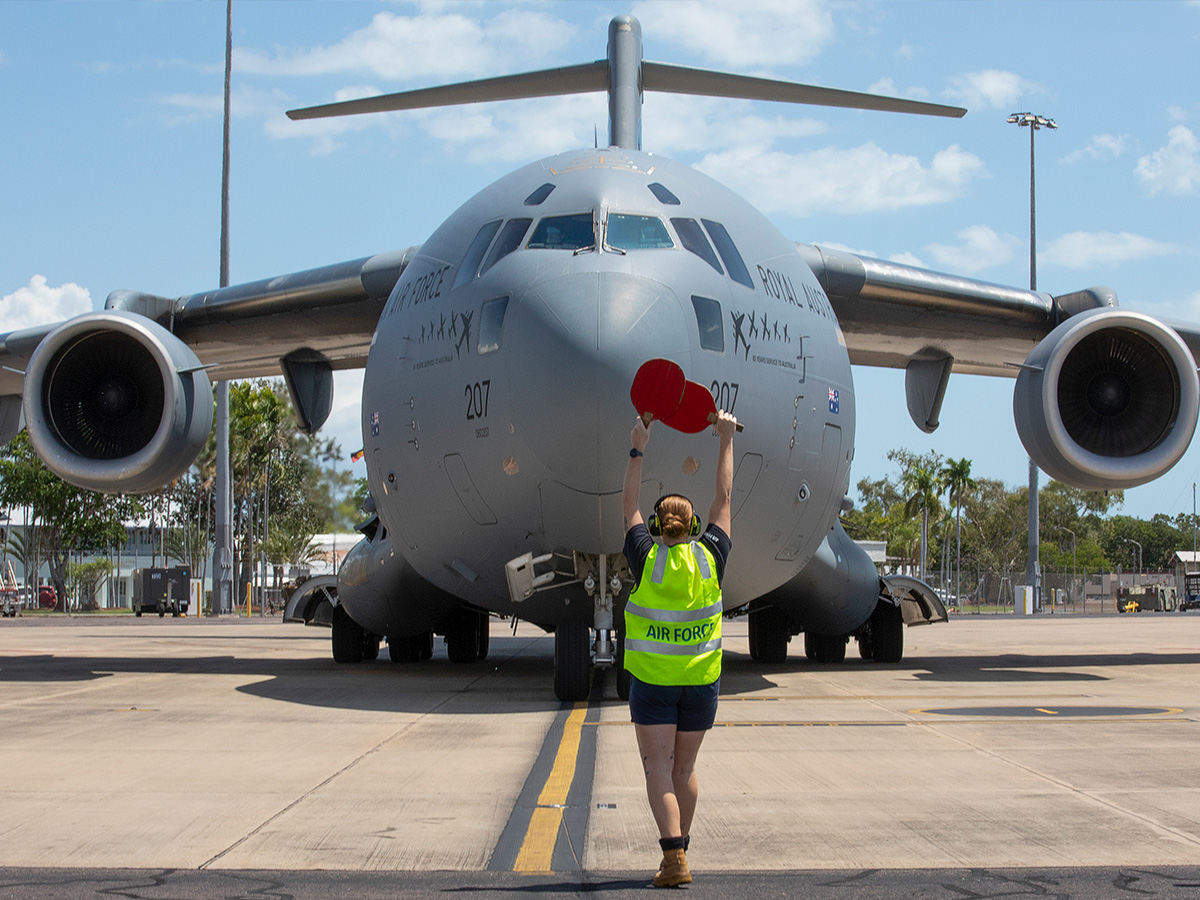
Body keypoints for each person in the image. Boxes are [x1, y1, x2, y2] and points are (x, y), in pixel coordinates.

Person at [621, 409, 737, 887]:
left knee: (658, 770)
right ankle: (680, 855)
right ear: (691, 528)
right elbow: (724, 498)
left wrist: (637, 447)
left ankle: (673, 860)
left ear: (656, 525)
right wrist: (725, 440)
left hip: (653, 685)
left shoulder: (646, 559)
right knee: (685, 768)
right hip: (701, 684)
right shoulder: (710, 557)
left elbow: (627, 503)